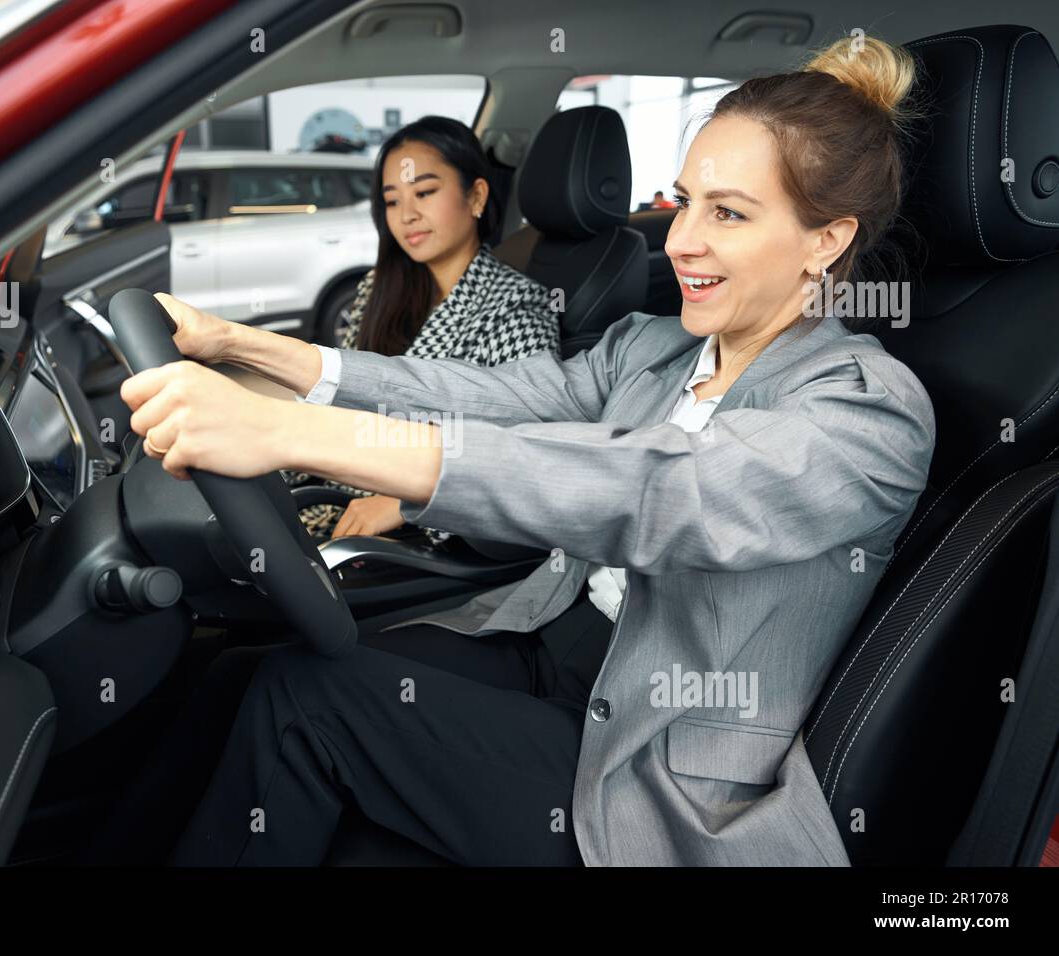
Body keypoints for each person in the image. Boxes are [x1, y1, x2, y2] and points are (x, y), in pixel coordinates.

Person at [118, 35, 934, 866]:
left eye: (727, 213)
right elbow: (489, 398)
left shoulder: (867, 413)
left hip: (659, 757)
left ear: (826, 241)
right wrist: (254, 350)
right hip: (552, 636)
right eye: (683, 200)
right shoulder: (652, 349)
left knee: (306, 699)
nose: (680, 240)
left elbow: (652, 490)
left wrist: (290, 433)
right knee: (244, 671)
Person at [281, 115, 560, 543]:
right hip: (328, 482)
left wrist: (409, 500)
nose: (407, 215)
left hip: (412, 531)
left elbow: (525, 454)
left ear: (477, 196)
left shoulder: (518, 307)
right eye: (392, 201)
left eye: (425, 192)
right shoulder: (379, 287)